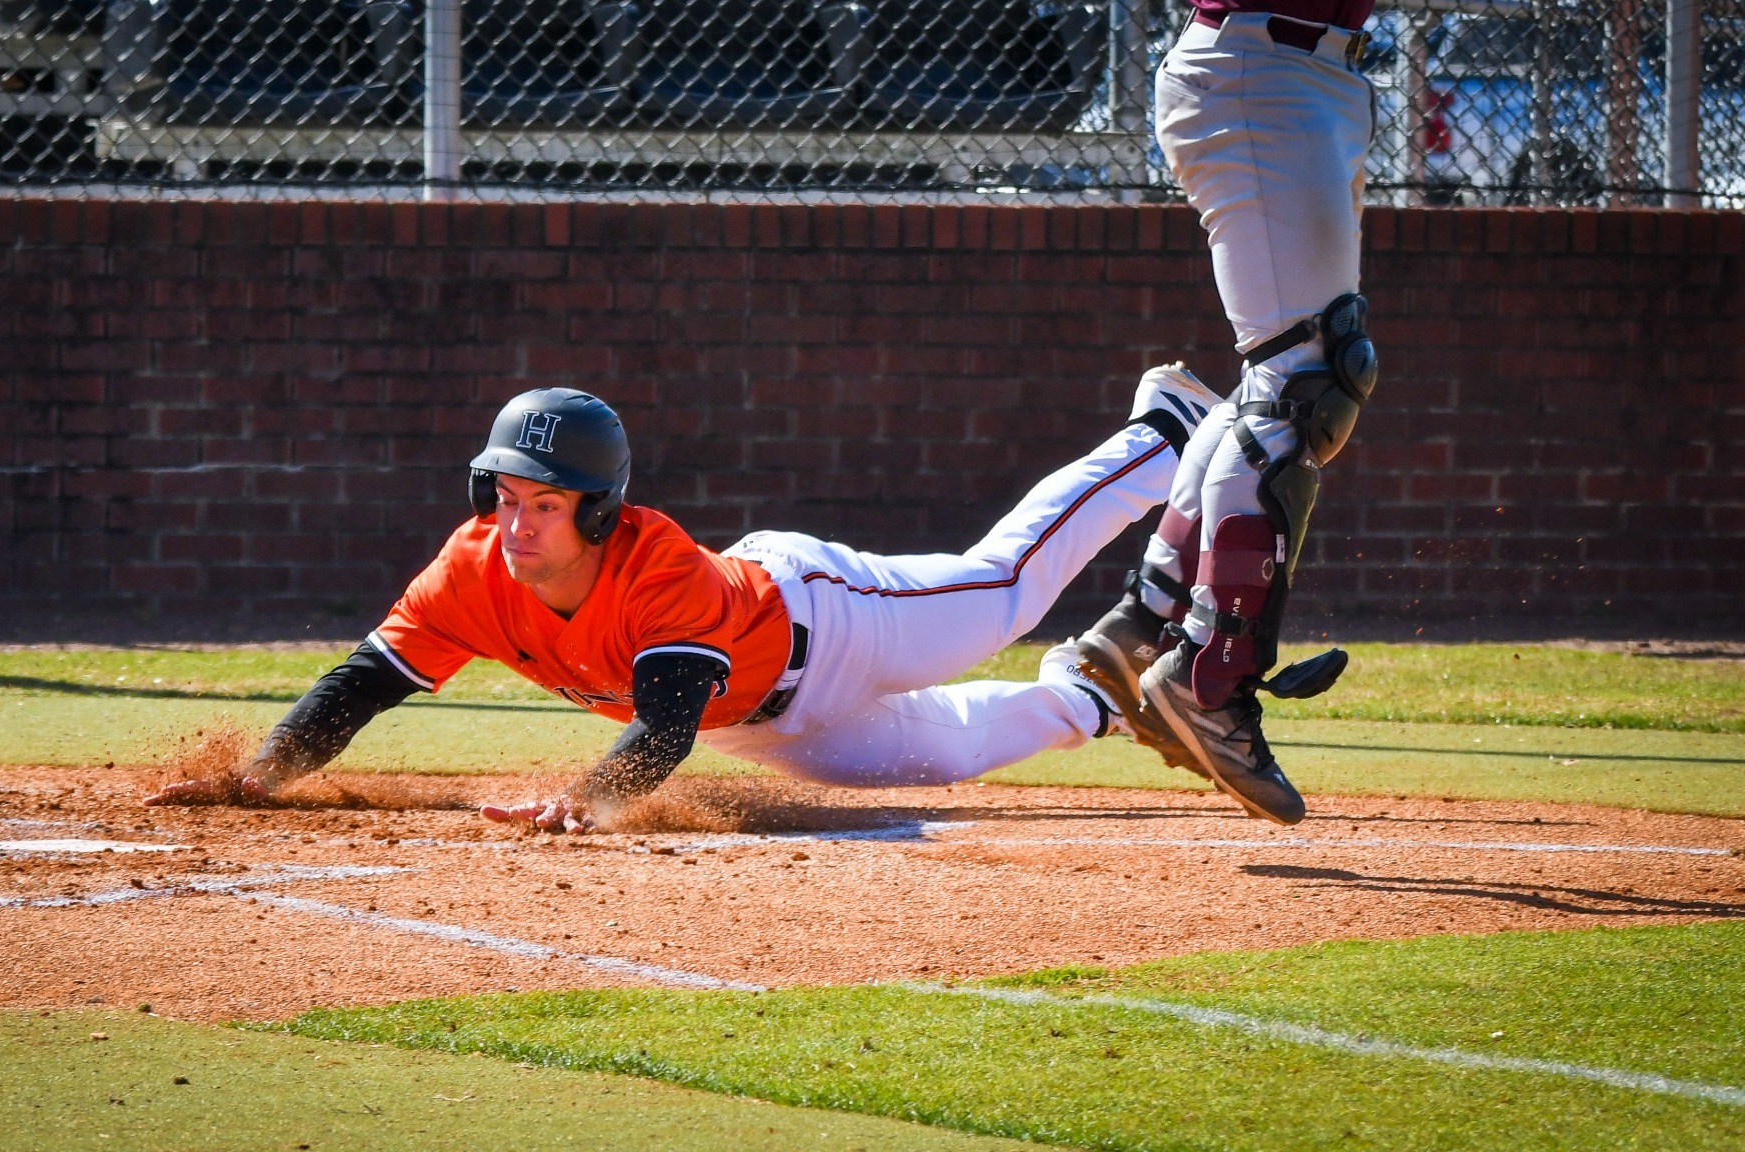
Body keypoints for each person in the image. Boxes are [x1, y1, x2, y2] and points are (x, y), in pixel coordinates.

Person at [145, 374, 1303, 829]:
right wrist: (266, 768)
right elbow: (363, 685)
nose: (518, 520)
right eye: (505, 494)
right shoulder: (468, 574)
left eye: (546, 501)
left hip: (825, 616)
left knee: (999, 590)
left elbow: (661, 731)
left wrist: (582, 805)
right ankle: (1096, 694)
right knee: (938, 758)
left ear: (599, 511)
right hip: (768, 718)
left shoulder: (656, 566)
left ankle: (1161, 429)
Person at [1068, 1, 1375, 825]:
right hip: (1264, 72)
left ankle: (1148, 625)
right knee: (1303, 390)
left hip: (1303, 71)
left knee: (1291, 381)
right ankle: (1209, 674)